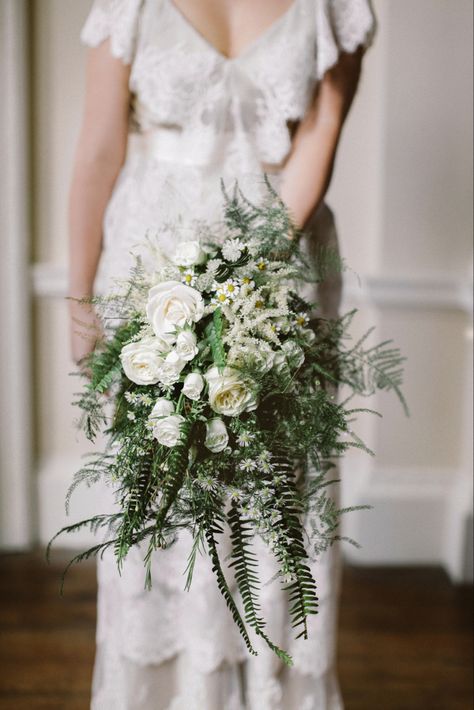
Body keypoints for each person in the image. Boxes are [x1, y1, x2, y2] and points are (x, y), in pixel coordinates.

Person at [69, 1, 377, 708]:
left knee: (273, 497)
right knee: (157, 492)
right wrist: (78, 296)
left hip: (279, 255)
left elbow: (324, 126)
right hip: (150, 260)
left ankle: (266, 687)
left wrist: (246, 279)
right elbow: (97, 149)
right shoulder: (132, 7)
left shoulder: (336, 8)